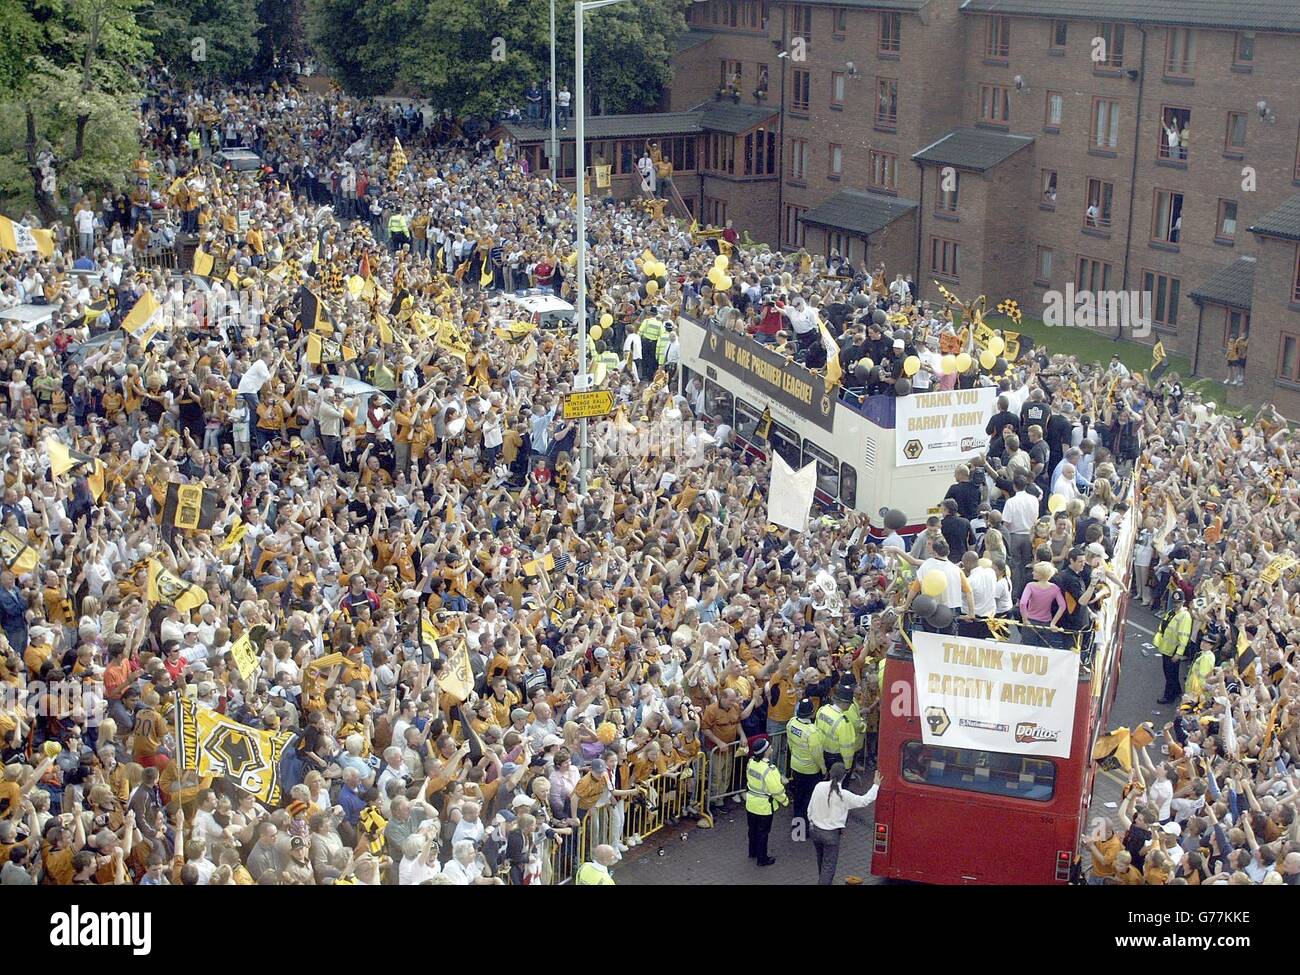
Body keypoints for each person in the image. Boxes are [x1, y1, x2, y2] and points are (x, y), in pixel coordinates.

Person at [807, 764, 878, 885]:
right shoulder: (844, 795)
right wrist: (876, 785)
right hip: (831, 835)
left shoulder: (819, 786)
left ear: (830, 773)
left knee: (821, 859)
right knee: (828, 865)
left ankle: (823, 880)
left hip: (815, 830)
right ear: (844, 776)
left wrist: (812, 822)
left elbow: (810, 808)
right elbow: (864, 800)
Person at [743, 737, 786, 866]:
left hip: (750, 803)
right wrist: (785, 801)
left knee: (752, 830)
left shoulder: (751, 762)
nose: (771, 748)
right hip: (764, 807)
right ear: (765, 751)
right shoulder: (770, 769)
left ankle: (753, 852)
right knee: (763, 833)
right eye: (770, 747)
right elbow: (776, 790)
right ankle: (762, 859)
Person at [785, 697, 825, 829]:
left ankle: (797, 825)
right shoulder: (812, 732)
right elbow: (817, 755)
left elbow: (790, 744)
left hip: (796, 767)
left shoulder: (791, 723)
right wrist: (823, 769)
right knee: (808, 799)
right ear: (812, 713)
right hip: (810, 771)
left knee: (798, 796)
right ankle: (806, 827)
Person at [1154, 590, 1193, 705]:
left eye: (1178, 602)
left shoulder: (1184, 616)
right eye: (1175, 602)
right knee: (1170, 673)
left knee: (1170, 674)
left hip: (1173, 650)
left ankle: (1169, 696)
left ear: (1183, 602)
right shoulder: (1171, 613)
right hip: (1166, 648)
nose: (1176, 604)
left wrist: (1179, 653)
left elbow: (1184, 636)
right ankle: (1176, 691)